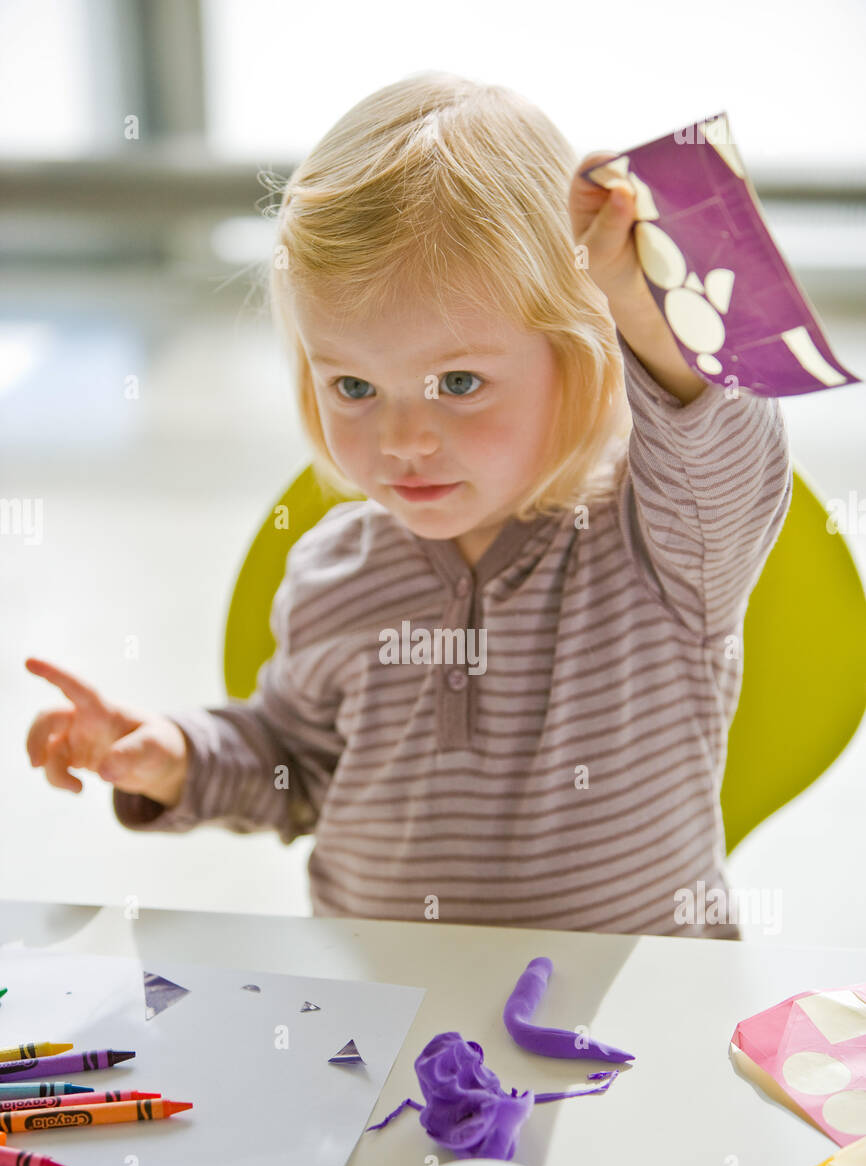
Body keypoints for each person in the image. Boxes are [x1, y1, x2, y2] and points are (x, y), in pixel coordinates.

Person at [25, 72, 791, 937]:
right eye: (353, 384)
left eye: (457, 383)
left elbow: (725, 454)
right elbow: (294, 763)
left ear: (581, 355)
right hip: (382, 1018)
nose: (403, 439)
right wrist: (175, 755)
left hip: (630, 1023)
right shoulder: (332, 572)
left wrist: (651, 324)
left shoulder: (656, 545)